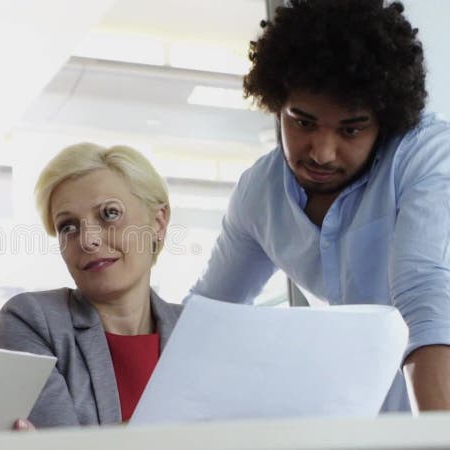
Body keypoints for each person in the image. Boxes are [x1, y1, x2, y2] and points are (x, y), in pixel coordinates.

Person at [190, 0, 450, 413]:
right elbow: (208, 315)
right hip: (361, 420)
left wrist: (437, 435)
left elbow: (424, 293)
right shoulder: (259, 193)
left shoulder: (427, 153)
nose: (323, 153)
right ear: (276, 103)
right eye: (303, 122)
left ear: (385, 118)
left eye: (351, 129)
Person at [0, 143, 182, 427]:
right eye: (68, 226)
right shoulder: (30, 320)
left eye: (110, 214)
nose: (88, 240)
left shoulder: (196, 330)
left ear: (158, 222)